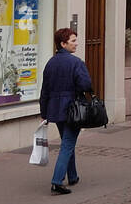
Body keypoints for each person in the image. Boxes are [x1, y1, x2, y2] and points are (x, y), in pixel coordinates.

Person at [39, 27, 92, 195]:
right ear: (63, 44)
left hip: (55, 109)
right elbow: (86, 85)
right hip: (72, 109)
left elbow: (44, 90)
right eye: (73, 41)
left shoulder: (50, 63)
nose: (76, 44)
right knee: (67, 144)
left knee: (67, 141)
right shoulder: (76, 63)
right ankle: (57, 181)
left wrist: (44, 112)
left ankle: (73, 175)